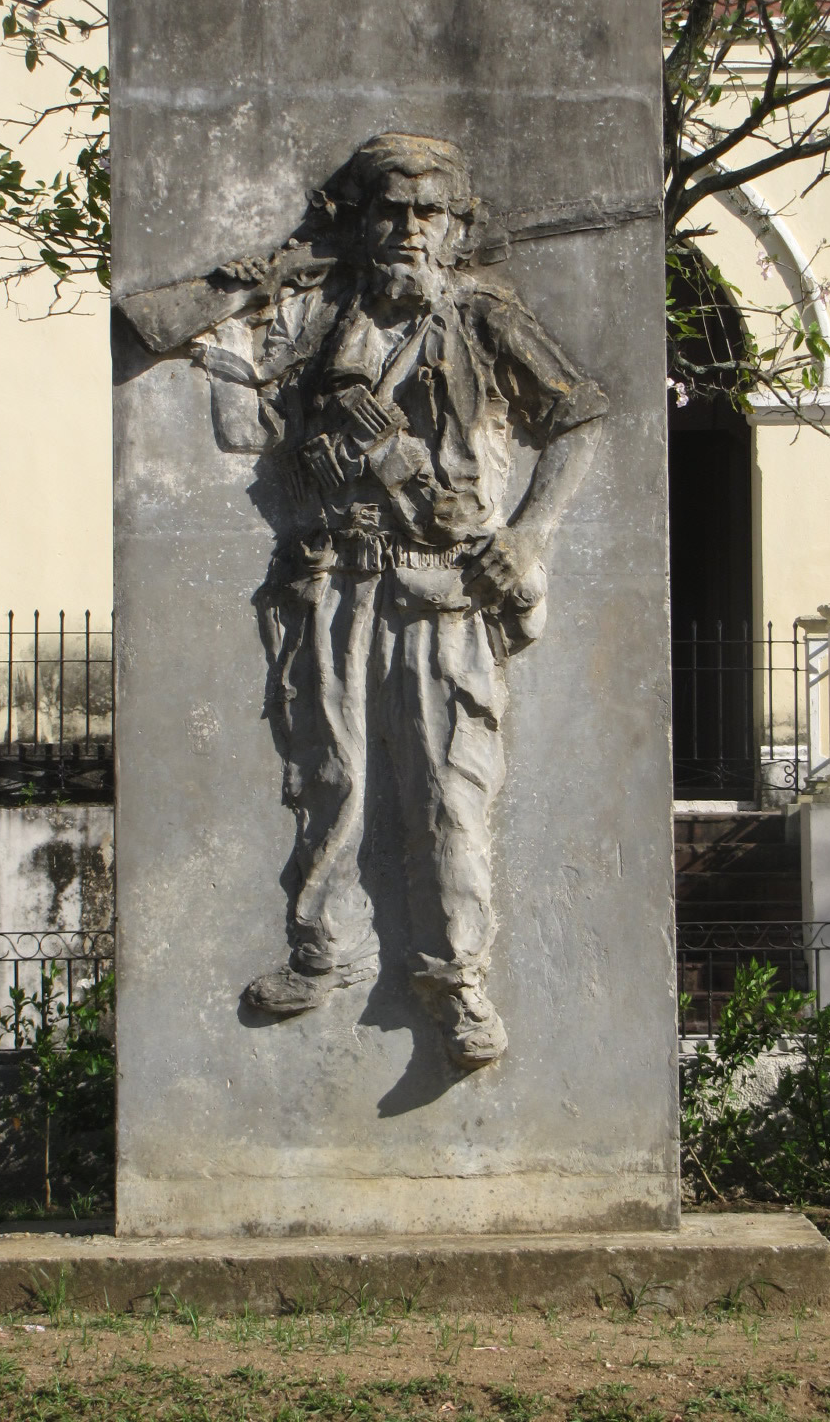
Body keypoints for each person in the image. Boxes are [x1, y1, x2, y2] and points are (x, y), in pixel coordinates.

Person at [224, 133, 608, 1068]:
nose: (408, 229)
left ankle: (456, 979)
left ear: (455, 227)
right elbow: (259, 431)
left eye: (427, 212)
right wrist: (241, 318)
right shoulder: (321, 322)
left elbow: (579, 417)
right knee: (331, 780)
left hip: (442, 589)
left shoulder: (483, 318)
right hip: (333, 584)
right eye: (391, 211)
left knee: (448, 790)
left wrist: (528, 536)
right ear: (360, 223)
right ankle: (326, 951)